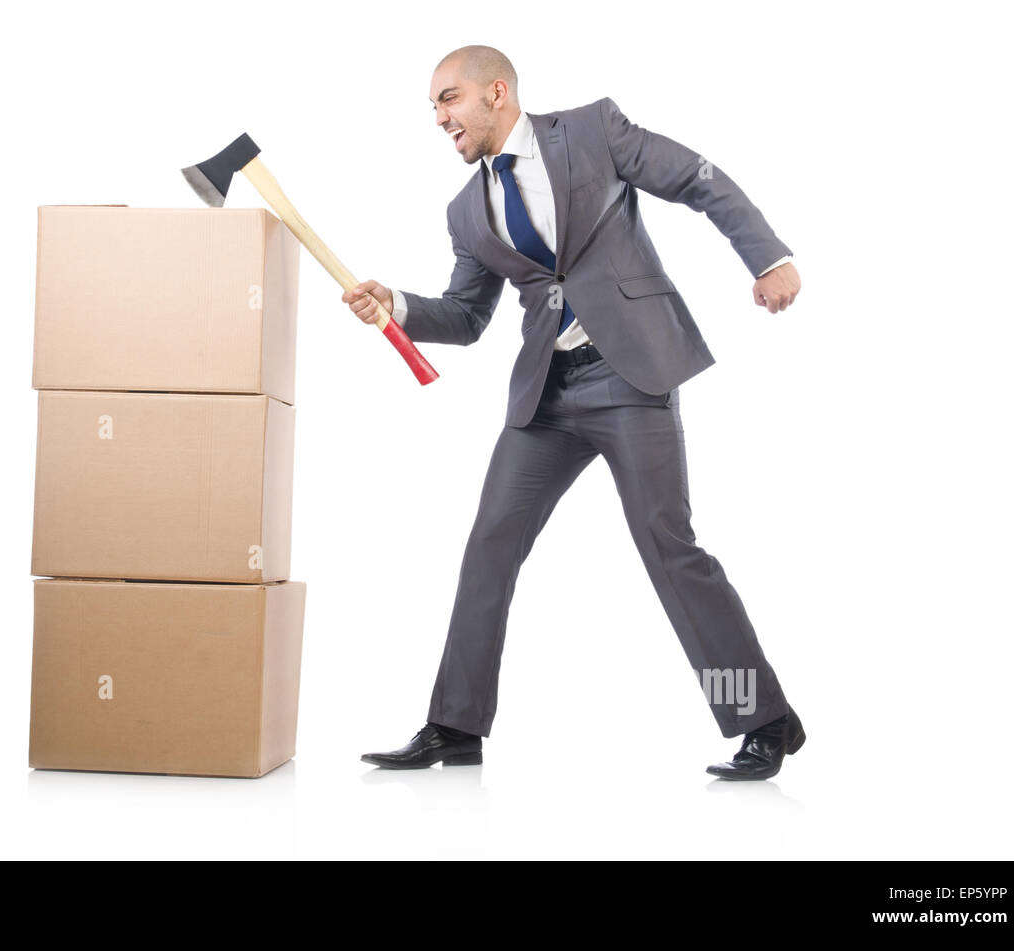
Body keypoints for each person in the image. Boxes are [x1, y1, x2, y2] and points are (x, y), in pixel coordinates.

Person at [343, 45, 805, 780]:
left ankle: (762, 719)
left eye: (448, 100)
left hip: (630, 374)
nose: (439, 119)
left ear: (497, 92)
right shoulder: (467, 210)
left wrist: (767, 257)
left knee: (668, 546)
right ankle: (455, 724)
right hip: (547, 397)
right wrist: (393, 305)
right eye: (433, 108)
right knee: (489, 544)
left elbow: (696, 178)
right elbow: (465, 317)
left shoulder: (592, 131)